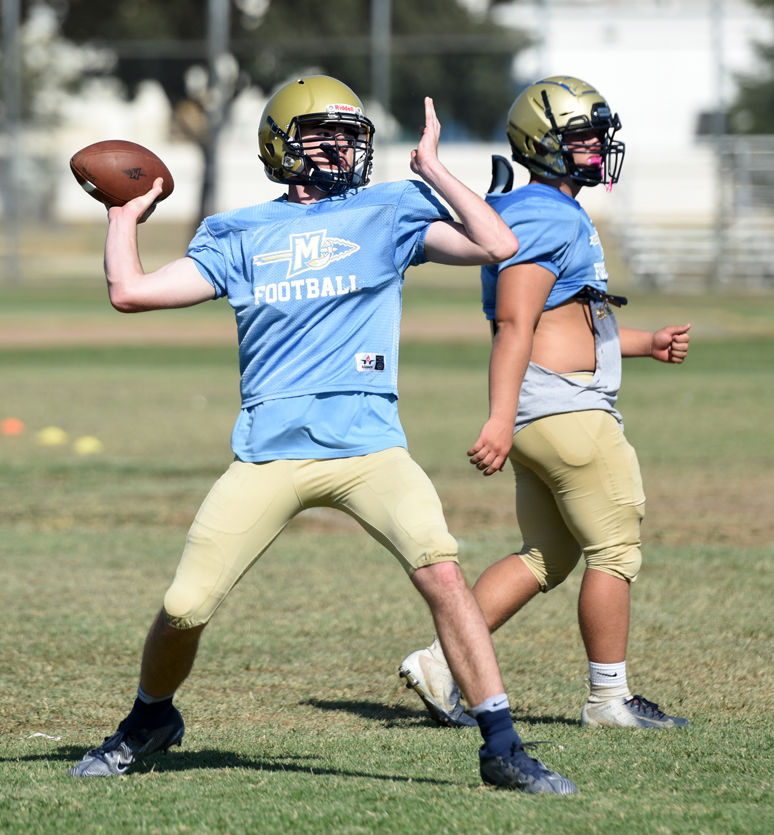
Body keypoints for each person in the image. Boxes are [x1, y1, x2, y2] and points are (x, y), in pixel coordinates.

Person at [67, 75, 578, 794]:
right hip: (270, 449)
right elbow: (132, 292)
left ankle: (501, 744)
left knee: (441, 569)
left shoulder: (390, 208)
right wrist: (125, 212)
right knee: (185, 606)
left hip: (369, 446)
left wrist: (434, 171)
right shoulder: (238, 231)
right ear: (280, 145)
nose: (340, 146)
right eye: (320, 133)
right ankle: (150, 717)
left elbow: (498, 242)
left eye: (350, 134)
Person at [399, 75, 691, 731]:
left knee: (545, 557)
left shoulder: (547, 210)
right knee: (615, 551)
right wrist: (499, 417)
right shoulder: (543, 214)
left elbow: (571, 321)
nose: (595, 148)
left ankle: (443, 665)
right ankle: (609, 699)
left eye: (596, 136)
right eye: (581, 138)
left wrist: (645, 343)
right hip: (565, 411)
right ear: (543, 144)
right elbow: (516, 322)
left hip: (547, 409)